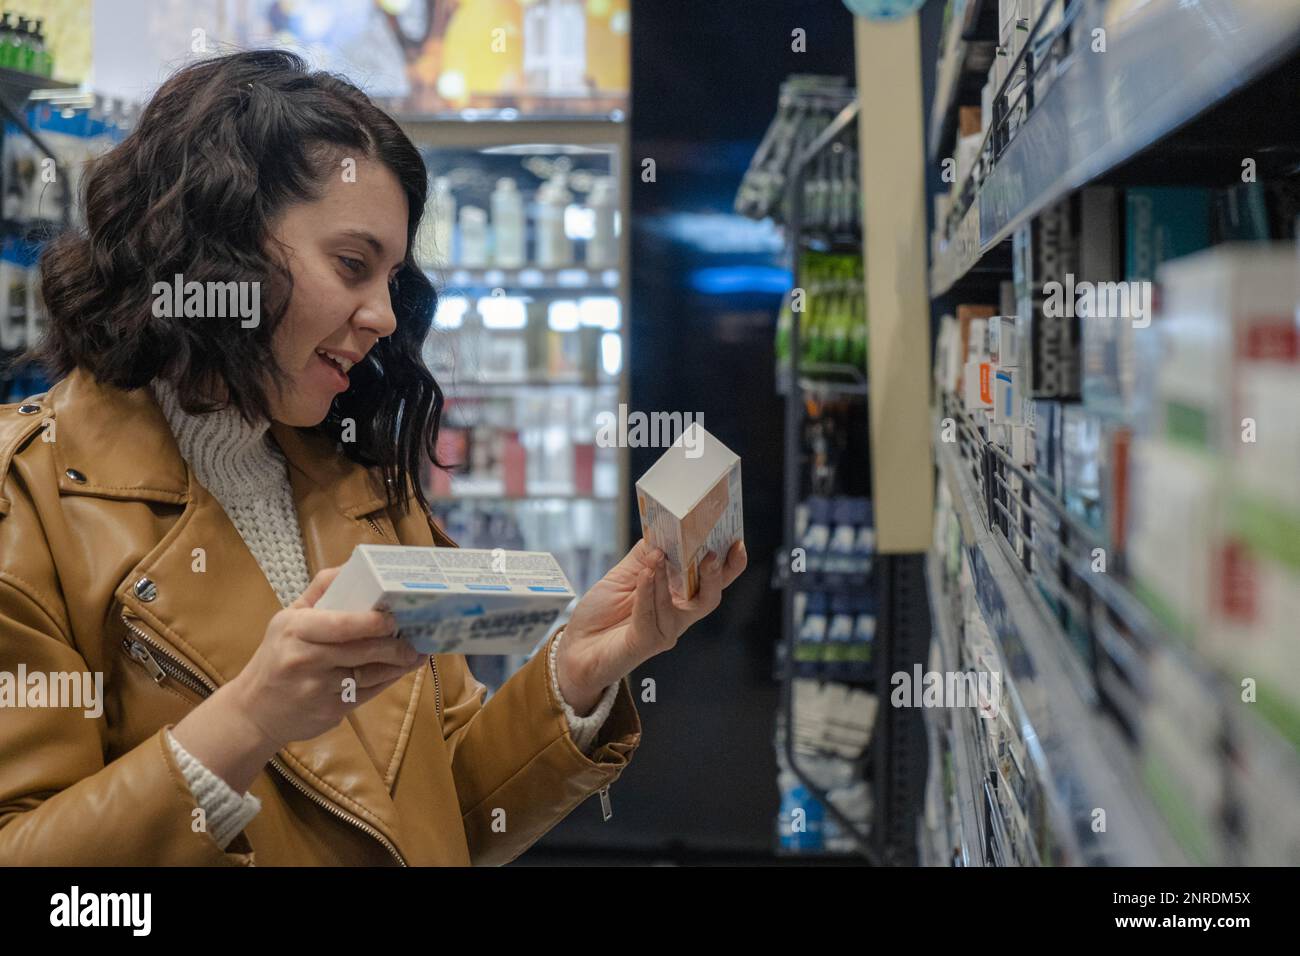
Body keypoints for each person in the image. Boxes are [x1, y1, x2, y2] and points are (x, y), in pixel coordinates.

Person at [0, 50, 746, 865]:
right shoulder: (31, 503)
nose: (385, 316)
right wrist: (249, 720)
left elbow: (436, 809)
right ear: (218, 243)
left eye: (393, 278)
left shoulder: (359, 483)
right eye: (352, 266)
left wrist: (582, 667)